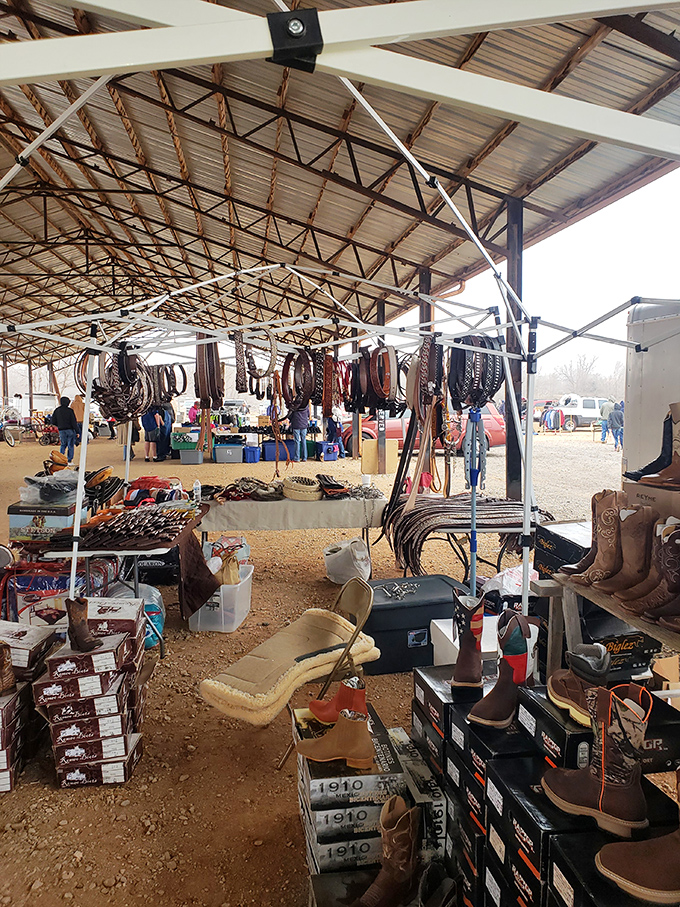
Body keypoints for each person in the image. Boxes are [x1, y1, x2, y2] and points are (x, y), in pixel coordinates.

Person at [52, 396, 78, 464]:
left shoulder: (57, 410)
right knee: (70, 445)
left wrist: (59, 425)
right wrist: (77, 431)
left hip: (61, 430)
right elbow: (74, 422)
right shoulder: (70, 411)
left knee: (63, 445)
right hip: (70, 430)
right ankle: (69, 460)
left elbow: (53, 421)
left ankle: (61, 459)